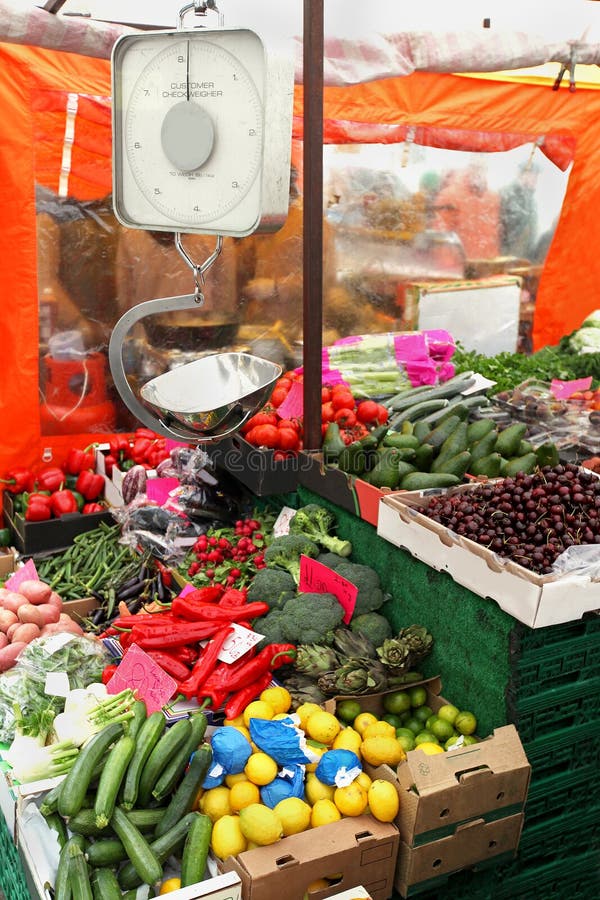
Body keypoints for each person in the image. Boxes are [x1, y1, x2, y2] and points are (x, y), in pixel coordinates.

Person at [434, 163, 501, 259]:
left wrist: (494, 262)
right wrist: (450, 268)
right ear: (468, 168)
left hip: (487, 263)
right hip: (461, 265)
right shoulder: (449, 196)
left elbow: (494, 234)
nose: (478, 172)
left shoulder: (493, 197)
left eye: (482, 168)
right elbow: (442, 236)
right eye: (475, 167)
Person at [499, 162, 539, 260]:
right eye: (532, 175)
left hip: (524, 260)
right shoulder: (506, 194)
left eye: (536, 177)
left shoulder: (532, 202)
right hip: (506, 258)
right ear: (522, 175)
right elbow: (499, 228)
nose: (535, 180)